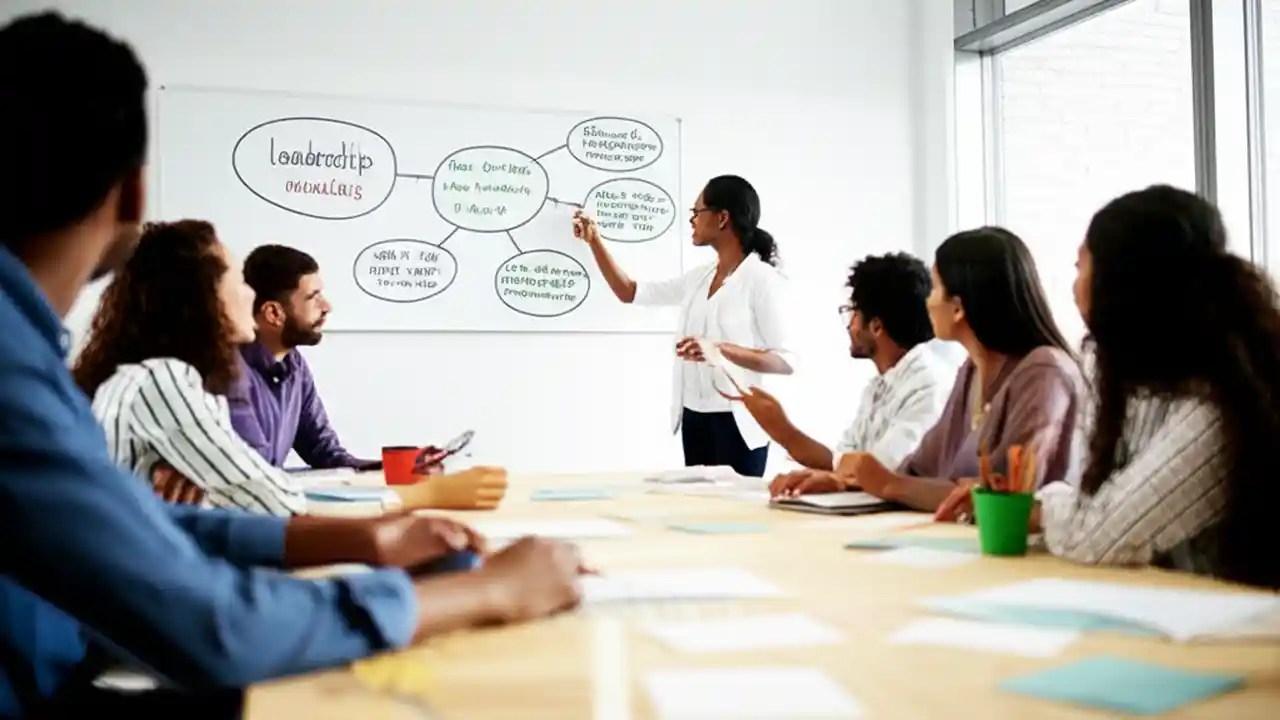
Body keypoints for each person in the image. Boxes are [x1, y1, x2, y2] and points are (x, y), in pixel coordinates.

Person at [0, 12, 583, 716]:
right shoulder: (44, 369)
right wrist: (485, 591)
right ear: (133, 194)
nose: (250, 293)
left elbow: (132, 529)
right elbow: (210, 618)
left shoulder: (31, 350)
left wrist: (361, 535)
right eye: (236, 280)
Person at [938, 186, 1279, 589]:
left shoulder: (1217, 401)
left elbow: (1098, 532)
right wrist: (1042, 506)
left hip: (1232, 626)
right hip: (1155, 599)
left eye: (1081, 267)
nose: (1074, 286)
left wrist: (1036, 507)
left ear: (1123, 284)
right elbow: (1089, 500)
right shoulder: (1120, 375)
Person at [776, 227, 1085, 511]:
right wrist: (844, 482)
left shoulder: (1043, 372)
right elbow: (919, 469)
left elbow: (1005, 496)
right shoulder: (970, 372)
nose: (928, 303)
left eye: (935, 290)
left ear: (959, 306)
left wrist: (888, 484)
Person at [73, 220, 308, 515]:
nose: (251, 294)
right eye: (239, 281)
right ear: (205, 297)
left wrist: (212, 493)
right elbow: (274, 500)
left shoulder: (181, 380)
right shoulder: (163, 379)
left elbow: (243, 489)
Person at [574, 176, 792, 477]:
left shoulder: (762, 280)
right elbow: (630, 292)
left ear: (722, 218)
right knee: (698, 511)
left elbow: (785, 360)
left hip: (739, 424)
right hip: (694, 418)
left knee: (738, 519)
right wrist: (594, 240)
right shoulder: (699, 278)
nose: (692, 220)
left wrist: (719, 349)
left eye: (697, 212)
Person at [722, 253, 962, 493]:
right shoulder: (881, 385)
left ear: (876, 326)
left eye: (853, 313)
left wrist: (785, 432)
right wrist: (784, 434)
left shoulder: (929, 385)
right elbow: (841, 462)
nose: (849, 325)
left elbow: (884, 471)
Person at [230, 244, 375, 470]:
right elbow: (248, 471)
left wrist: (386, 468)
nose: (326, 307)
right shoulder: (228, 371)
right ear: (274, 313)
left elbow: (324, 451)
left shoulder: (294, 365)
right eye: (313, 297)